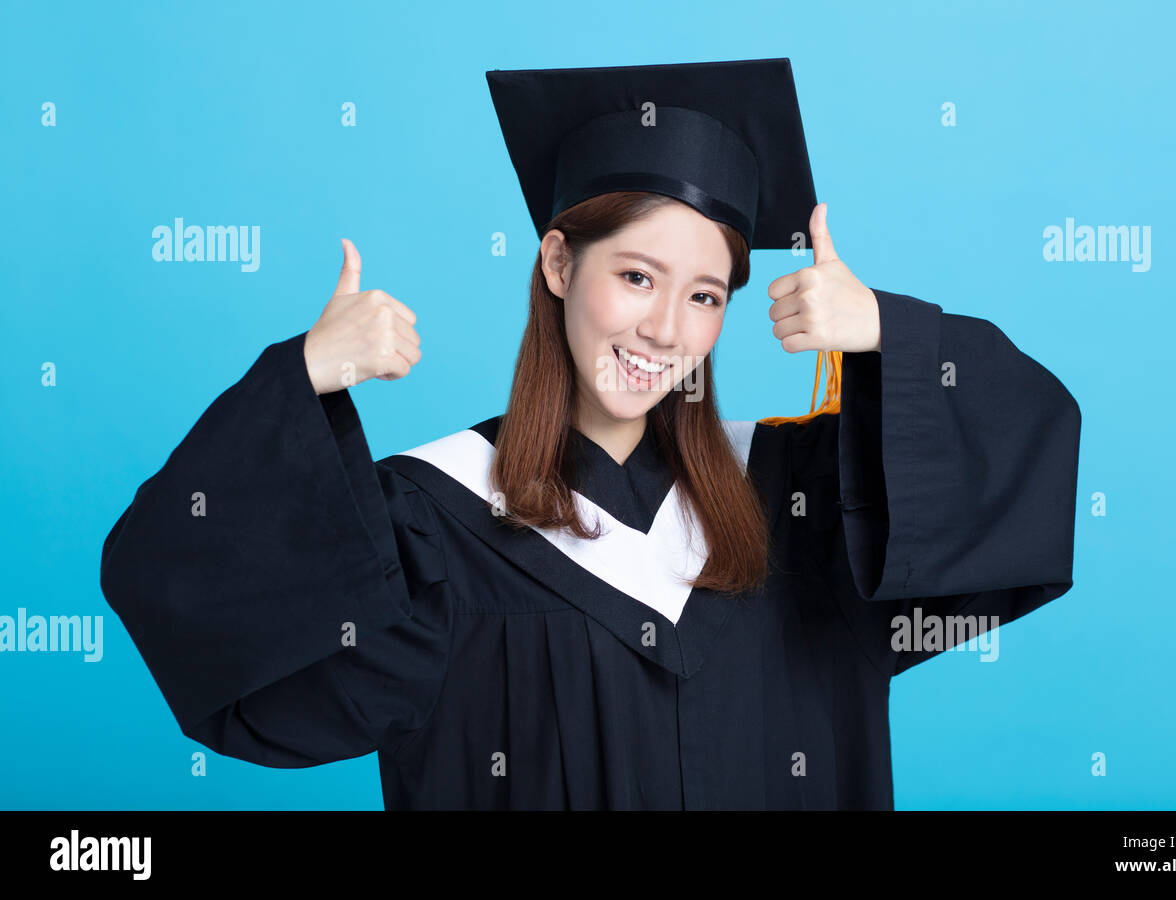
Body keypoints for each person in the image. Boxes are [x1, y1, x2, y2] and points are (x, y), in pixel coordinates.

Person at [100, 58, 1082, 809]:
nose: (665, 329)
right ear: (560, 265)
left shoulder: (802, 500)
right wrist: (306, 375)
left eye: (704, 295)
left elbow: (1025, 456)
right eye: (636, 276)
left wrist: (883, 331)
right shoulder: (432, 525)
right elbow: (187, 595)